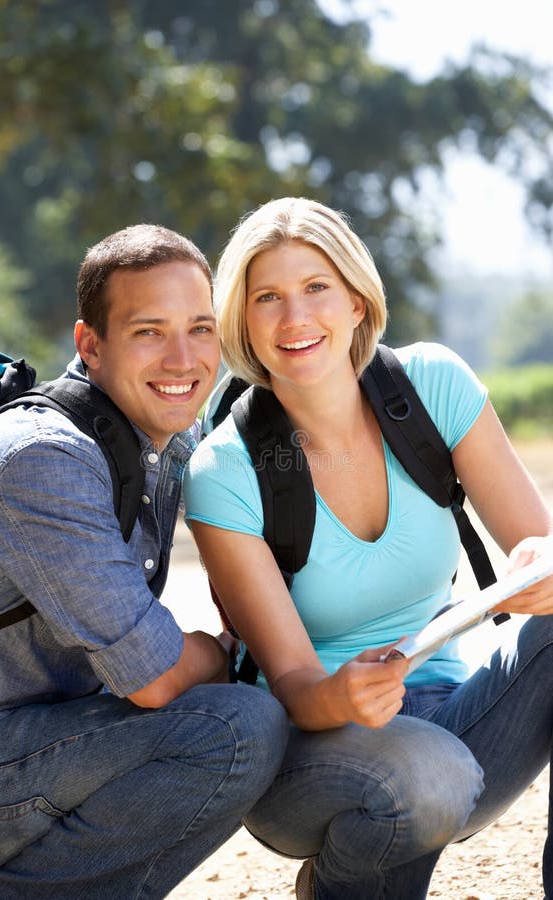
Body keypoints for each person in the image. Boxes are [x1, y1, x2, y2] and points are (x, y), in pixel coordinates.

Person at [183, 197, 553, 900]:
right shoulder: (224, 471)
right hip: (312, 749)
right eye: (268, 297)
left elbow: (536, 540)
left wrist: (540, 566)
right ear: (243, 323)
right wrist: (342, 695)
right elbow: (291, 687)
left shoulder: (433, 386)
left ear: (356, 301)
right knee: (428, 775)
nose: (295, 318)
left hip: (452, 715)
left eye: (316, 288)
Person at [0, 223, 289, 900]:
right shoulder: (44, 458)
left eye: (200, 329)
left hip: (35, 740)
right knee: (237, 728)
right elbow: (156, 679)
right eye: (148, 331)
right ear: (90, 345)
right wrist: (221, 651)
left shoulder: (157, 435)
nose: (183, 359)